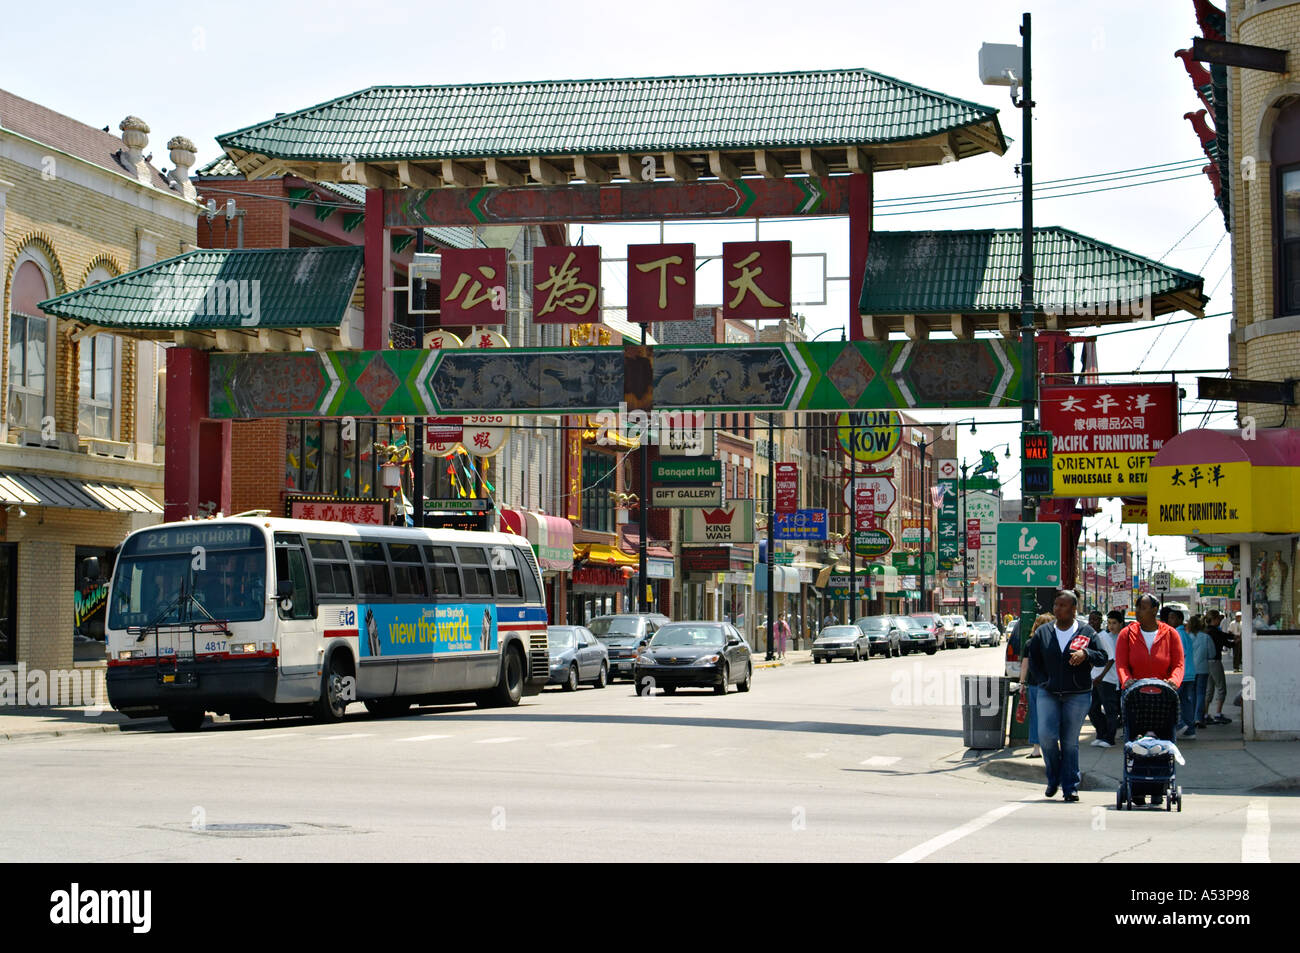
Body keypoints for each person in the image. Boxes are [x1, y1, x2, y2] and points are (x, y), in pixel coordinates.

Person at [1024, 592, 1106, 801]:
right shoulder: (1043, 632)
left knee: (1069, 742)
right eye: (1056, 605)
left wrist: (1086, 653)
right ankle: (1053, 777)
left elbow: (1102, 658)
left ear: (1073, 609)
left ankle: (1070, 786)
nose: (1058, 609)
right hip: (1048, 692)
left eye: (1063, 605)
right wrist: (1043, 680)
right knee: (1047, 737)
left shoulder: (1086, 632)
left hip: (1077, 694)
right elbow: (1033, 659)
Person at [1114, 594, 1185, 805]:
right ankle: (1136, 787)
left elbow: (1178, 664)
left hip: (1163, 700)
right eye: (1137, 607)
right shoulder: (1127, 634)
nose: (1138, 611)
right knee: (1135, 742)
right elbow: (1121, 664)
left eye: (1142, 607)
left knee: (1162, 742)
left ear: (1154, 610)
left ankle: (1159, 787)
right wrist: (1127, 681)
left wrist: (1173, 682)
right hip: (1136, 698)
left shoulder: (1170, 634)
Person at [1015, 614, 1050, 760]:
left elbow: (1025, 665)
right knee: (1051, 716)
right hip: (1052, 685)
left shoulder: (1030, 643)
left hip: (1035, 684)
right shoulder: (1054, 641)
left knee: (1036, 716)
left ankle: (1036, 749)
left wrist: (1022, 683)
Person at [1088, 609, 1123, 748]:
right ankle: (1101, 734)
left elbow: (1111, 658)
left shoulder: (1104, 637)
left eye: (1095, 620)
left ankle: (1110, 738)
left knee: (1110, 710)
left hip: (1107, 679)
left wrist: (1101, 676)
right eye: (1090, 619)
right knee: (1092, 708)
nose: (1092, 622)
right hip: (1095, 678)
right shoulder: (1093, 636)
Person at [1202, 610, 1232, 724]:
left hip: (1206, 663)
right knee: (1221, 688)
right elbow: (1227, 642)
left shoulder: (1206, 631)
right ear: (1214, 620)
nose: (1220, 620)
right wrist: (1237, 641)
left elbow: (1226, 636)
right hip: (1215, 662)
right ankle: (1218, 714)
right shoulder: (1215, 632)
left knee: (1209, 689)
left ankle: (1205, 714)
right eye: (1218, 618)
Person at [1171, 609, 1198, 737]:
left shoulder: (1177, 634)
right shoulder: (1186, 634)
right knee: (1186, 702)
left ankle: (1180, 724)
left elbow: (1180, 654)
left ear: (1180, 620)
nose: (1170, 621)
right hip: (1189, 673)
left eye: (1173, 618)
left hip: (1180, 674)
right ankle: (1189, 729)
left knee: (1170, 700)